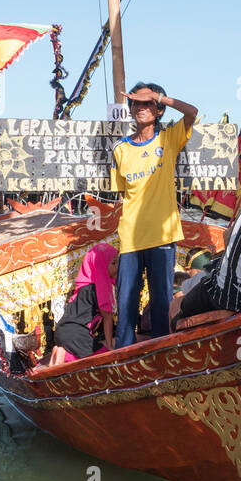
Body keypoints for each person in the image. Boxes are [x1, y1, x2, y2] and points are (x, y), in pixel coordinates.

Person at [109, 82, 199, 348]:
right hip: (131, 239)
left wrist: (159, 96)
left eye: (147, 103)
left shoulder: (168, 139)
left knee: (161, 302)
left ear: (158, 110)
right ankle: (124, 355)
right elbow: (123, 196)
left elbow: (192, 111)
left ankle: (160, 353)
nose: (140, 108)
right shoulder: (119, 149)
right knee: (126, 303)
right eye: (136, 103)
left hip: (161, 236)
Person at [47, 242, 118, 365]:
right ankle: (65, 355)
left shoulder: (85, 286)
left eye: (117, 262)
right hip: (75, 333)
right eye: (113, 263)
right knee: (102, 356)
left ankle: (61, 351)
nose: (117, 267)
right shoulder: (99, 287)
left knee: (87, 352)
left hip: (64, 331)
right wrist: (110, 347)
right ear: (100, 266)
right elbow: (107, 317)